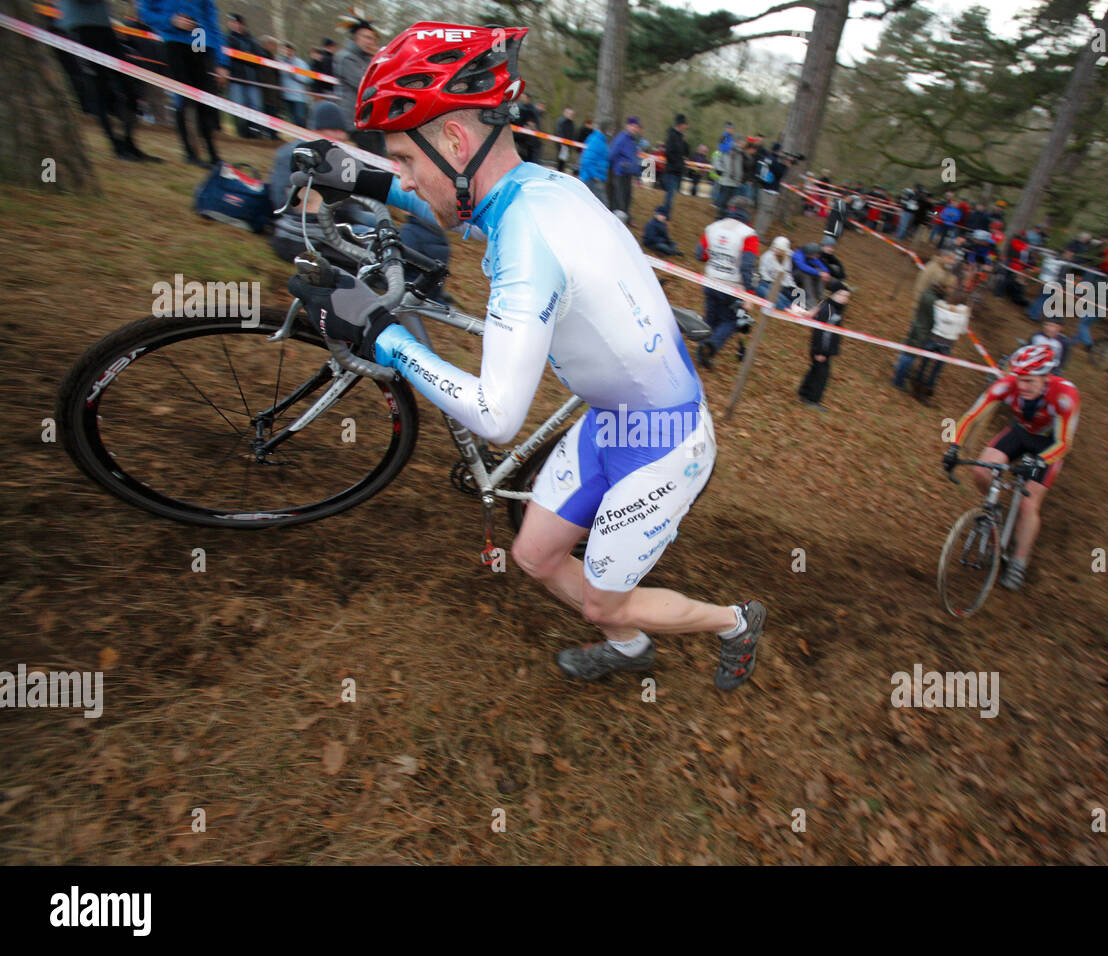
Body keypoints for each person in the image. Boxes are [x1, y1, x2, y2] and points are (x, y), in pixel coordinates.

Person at [285, 22, 766, 689]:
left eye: (403, 157)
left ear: (454, 139)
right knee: (535, 555)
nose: (404, 174)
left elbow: (497, 414)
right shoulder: (534, 186)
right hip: (609, 419)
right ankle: (629, 648)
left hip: (666, 444)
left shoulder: (529, 240)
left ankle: (734, 622)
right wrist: (361, 179)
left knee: (602, 598)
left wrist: (380, 334)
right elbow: (451, 197)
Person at [942, 344, 1081, 592]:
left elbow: (1064, 443)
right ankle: (993, 511)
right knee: (981, 471)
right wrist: (953, 447)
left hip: (1050, 444)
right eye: (1019, 380)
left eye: (1029, 381)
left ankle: (1019, 561)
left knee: (1029, 503)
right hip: (1021, 432)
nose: (1022, 387)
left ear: (1047, 377)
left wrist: (1038, 462)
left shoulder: (1064, 396)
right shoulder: (1008, 385)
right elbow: (970, 416)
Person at [269, 101, 451, 281]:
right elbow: (281, 199)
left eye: (342, 132)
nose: (340, 136)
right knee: (378, 236)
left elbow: (357, 192)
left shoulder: (337, 155)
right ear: (317, 129)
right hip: (315, 222)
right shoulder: (291, 155)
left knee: (379, 223)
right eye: (334, 130)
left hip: (340, 215)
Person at [60, 0, 160, 162]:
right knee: (99, 88)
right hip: (79, 29)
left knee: (129, 85)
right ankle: (116, 146)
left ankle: (129, 143)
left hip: (105, 28)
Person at [138, 0, 229, 166]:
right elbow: (145, 13)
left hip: (199, 40)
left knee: (206, 100)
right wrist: (170, 21)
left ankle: (213, 154)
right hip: (173, 40)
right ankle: (190, 154)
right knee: (183, 99)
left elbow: (212, 20)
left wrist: (221, 62)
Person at [695, 196, 760, 369]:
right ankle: (711, 346)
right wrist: (750, 294)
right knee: (730, 322)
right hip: (732, 286)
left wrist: (716, 256)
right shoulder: (749, 234)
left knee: (711, 320)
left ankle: (702, 354)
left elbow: (700, 254)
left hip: (710, 281)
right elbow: (747, 266)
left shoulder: (712, 228)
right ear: (747, 212)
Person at [893, 250, 958, 390]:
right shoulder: (933, 269)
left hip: (923, 313)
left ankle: (901, 368)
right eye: (952, 259)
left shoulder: (940, 271)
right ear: (945, 257)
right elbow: (920, 287)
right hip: (923, 316)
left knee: (911, 342)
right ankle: (899, 372)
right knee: (912, 347)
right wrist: (918, 305)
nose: (953, 262)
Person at [797, 281, 850, 410]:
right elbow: (820, 332)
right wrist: (820, 351)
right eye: (841, 295)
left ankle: (804, 392)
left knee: (815, 370)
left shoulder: (836, 310)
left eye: (847, 297)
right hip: (821, 350)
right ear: (833, 295)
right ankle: (812, 399)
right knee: (822, 374)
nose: (844, 299)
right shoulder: (829, 310)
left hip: (825, 350)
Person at [335, 16, 384, 155]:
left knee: (379, 161)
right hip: (357, 120)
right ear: (356, 38)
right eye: (366, 37)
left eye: (372, 38)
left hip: (371, 119)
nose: (371, 41)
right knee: (372, 162)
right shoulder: (346, 58)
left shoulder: (368, 58)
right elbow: (365, 84)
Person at [224, 14, 268, 138]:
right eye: (231, 22)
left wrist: (246, 58)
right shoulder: (227, 38)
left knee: (256, 106)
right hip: (236, 78)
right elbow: (230, 56)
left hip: (252, 79)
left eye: (236, 22)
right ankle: (241, 132)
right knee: (238, 105)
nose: (233, 24)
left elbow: (259, 57)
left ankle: (256, 132)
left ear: (241, 24)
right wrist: (247, 57)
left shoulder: (251, 40)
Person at [607, 116, 642, 225]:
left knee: (627, 197)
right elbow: (612, 154)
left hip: (628, 172)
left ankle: (626, 218)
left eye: (636, 127)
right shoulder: (621, 138)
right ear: (628, 126)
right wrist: (619, 165)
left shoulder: (632, 140)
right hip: (620, 172)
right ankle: (616, 219)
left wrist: (637, 173)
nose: (634, 129)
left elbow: (633, 157)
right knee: (619, 197)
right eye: (633, 126)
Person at [577, 121, 611, 206]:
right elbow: (587, 161)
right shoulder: (597, 141)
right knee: (603, 206)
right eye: (611, 129)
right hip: (592, 179)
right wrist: (595, 176)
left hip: (593, 177)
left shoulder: (599, 140)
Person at [662, 114, 689, 218]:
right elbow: (668, 152)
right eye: (685, 124)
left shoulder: (680, 137)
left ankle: (667, 213)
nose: (686, 127)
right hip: (672, 170)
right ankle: (665, 214)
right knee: (670, 194)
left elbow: (685, 152)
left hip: (677, 170)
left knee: (672, 194)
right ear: (681, 124)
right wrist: (676, 163)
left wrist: (685, 143)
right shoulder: (672, 136)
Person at [758, 236, 795, 310]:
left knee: (793, 296)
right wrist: (772, 281)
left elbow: (787, 274)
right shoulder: (767, 256)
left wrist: (791, 285)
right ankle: (785, 308)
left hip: (782, 284)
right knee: (775, 295)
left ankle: (794, 307)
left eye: (780, 250)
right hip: (768, 282)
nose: (777, 251)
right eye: (776, 248)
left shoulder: (787, 258)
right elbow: (762, 271)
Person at [280, 41, 311, 129]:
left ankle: (306, 136)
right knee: (292, 119)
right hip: (286, 95)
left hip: (299, 96)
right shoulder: (280, 62)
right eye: (285, 50)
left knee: (300, 118)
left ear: (293, 51)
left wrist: (293, 73)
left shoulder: (301, 63)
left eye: (289, 50)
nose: (287, 52)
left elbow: (307, 79)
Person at [555, 106, 576, 174]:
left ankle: (560, 172)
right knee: (561, 160)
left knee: (563, 160)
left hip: (567, 145)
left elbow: (572, 134)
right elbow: (559, 132)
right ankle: (558, 172)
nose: (571, 115)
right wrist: (562, 143)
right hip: (562, 144)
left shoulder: (571, 123)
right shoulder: (562, 121)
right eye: (569, 113)